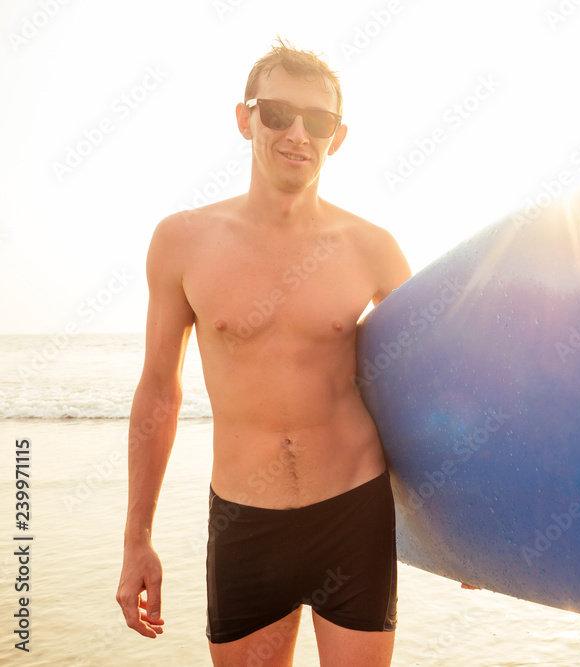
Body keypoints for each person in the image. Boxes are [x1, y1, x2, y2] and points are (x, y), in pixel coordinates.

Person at [116, 38, 411, 667]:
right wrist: (136, 538)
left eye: (318, 121)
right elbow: (160, 390)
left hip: (353, 511)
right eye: (278, 113)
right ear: (245, 118)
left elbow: (434, 384)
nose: (297, 134)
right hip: (245, 523)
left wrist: (465, 527)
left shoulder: (372, 248)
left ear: (338, 137)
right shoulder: (181, 241)